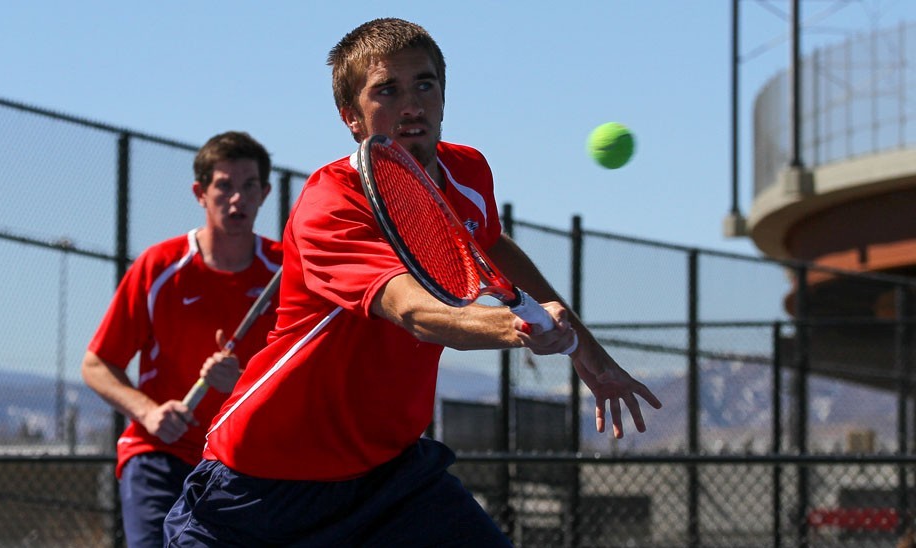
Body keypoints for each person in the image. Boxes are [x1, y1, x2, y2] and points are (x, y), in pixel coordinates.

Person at [163, 18, 661, 547]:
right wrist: (516, 327)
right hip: (261, 488)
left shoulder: (467, 172)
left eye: (425, 84)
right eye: (387, 91)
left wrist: (589, 353)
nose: (411, 106)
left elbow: (490, 243)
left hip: (391, 477)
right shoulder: (330, 203)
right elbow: (413, 310)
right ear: (351, 117)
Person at [81, 131, 282, 548]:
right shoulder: (160, 267)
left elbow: (305, 373)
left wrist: (241, 383)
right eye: (224, 185)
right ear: (200, 193)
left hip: (246, 461)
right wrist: (149, 412)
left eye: (249, 186)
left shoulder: (285, 272)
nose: (237, 199)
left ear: (264, 193)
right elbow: (97, 364)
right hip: (160, 454)